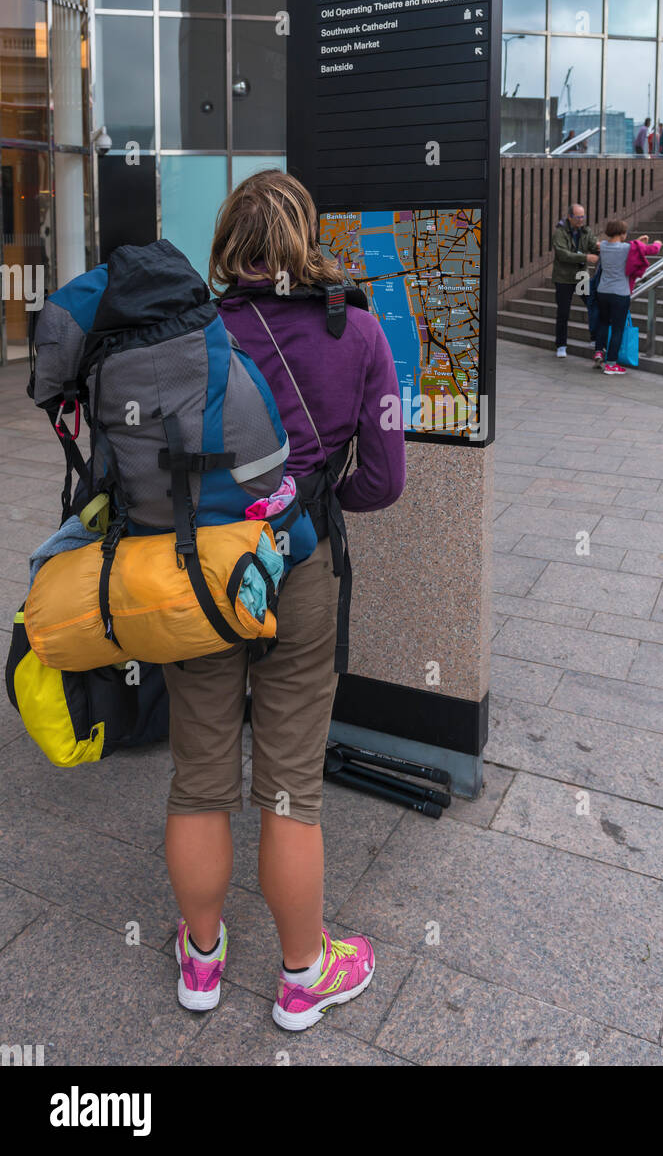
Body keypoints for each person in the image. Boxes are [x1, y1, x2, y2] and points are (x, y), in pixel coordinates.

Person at [163, 169, 406, 1030]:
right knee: (290, 786)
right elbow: (381, 483)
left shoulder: (184, 336)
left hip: (193, 579)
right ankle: (304, 975)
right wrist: (311, 496)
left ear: (229, 242)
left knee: (198, 780)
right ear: (306, 239)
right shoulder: (362, 336)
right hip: (296, 575)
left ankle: (201, 962)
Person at [592, 220, 661, 376]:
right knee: (617, 329)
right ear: (622, 234)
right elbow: (651, 250)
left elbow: (632, 246)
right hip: (620, 293)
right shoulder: (627, 248)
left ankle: (598, 352)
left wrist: (638, 242)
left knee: (603, 322)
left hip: (603, 291)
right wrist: (657, 243)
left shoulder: (603, 246)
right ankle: (611, 364)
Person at [552, 203, 599, 358]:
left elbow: (593, 245)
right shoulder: (560, 232)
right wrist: (585, 257)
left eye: (582, 216)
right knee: (563, 312)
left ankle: (595, 338)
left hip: (581, 276)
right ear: (569, 217)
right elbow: (563, 254)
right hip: (564, 277)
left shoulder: (586, 231)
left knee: (592, 305)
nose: (581, 220)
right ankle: (561, 345)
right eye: (578, 217)